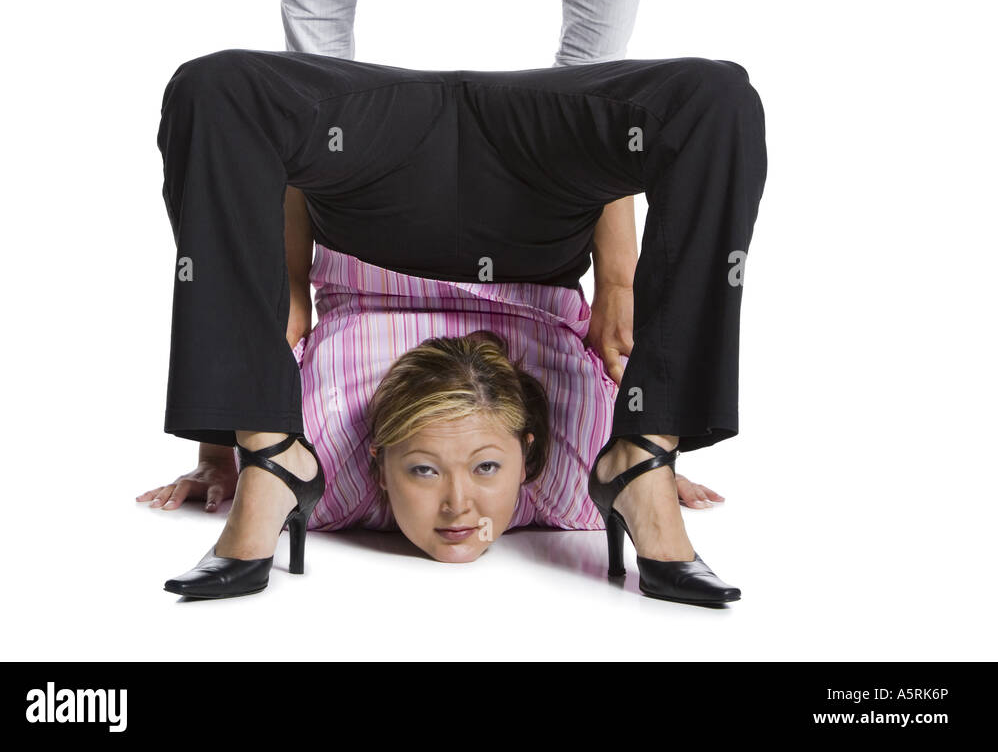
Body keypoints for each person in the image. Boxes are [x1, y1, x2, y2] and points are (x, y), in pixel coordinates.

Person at [143, 44, 767, 604]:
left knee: (217, 84)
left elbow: (268, 318)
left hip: (377, 211)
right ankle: (641, 461)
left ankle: (270, 462)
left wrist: (226, 444)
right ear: (526, 455)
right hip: (534, 205)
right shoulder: (575, 484)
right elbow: (609, 161)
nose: (458, 506)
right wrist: (645, 389)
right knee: (714, 97)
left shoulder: (331, 482)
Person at [138, 245, 724, 572]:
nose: (457, 506)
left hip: (454, 260)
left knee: (589, 89)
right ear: (378, 461)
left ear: (527, 453)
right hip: (390, 256)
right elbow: (251, 366)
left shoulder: (579, 474)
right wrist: (218, 457)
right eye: (422, 469)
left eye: (488, 467)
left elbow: (251, 359)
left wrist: (646, 466)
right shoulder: (325, 470)